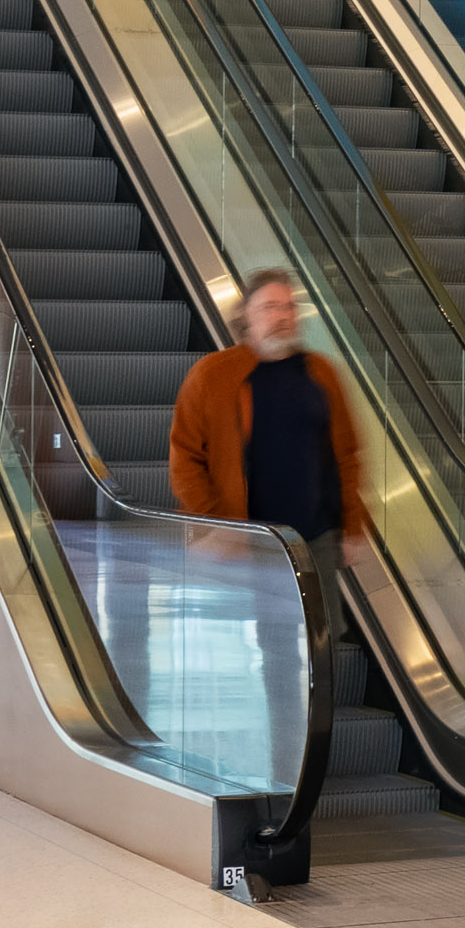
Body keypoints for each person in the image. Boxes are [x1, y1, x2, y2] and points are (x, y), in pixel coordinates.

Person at [170, 273, 365, 684]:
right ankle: (283, 736)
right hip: (256, 540)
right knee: (275, 648)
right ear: (246, 318)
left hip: (316, 537)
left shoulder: (321, 374)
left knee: (321, 646)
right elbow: (185, 456)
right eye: (269, 308)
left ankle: (315, 735)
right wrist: (213, 523)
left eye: (289, 307)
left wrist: (352, 525)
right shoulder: (214, 375)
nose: (282, 317)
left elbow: (346, 454)